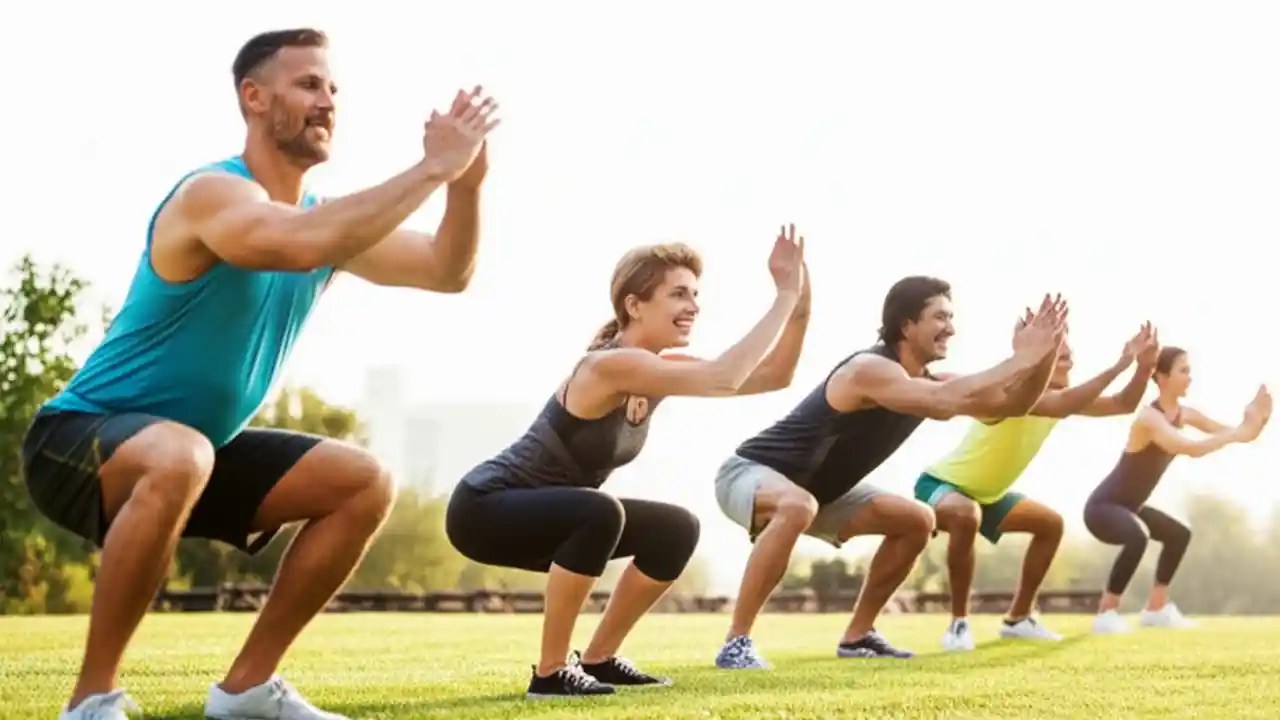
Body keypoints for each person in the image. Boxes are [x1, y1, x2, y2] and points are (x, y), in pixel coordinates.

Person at [19, 28, 500, 720]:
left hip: (195, 454)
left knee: (362, 481)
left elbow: (446, 270)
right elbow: (296, 244)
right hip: (76, 441)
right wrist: (430, 170)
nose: (327, 101)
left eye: (333, 89)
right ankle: (91, 702)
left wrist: (466, 185)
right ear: (254, 96)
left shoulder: (327, 223)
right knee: (180, 454)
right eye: (308, 84)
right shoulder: (212, 194)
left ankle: (246, 689)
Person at [446, 226, 810, 698]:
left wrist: (798, 300)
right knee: (600, 511)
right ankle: (550, 673)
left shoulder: (659, 371)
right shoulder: (608, 365)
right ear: (634, 305)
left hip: (552, 517)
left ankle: (599, 659)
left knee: (675, 529)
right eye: (679, 294)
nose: (693, 306)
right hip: (484, 509)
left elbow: (775, 375)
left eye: (695, 294)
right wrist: (783, 296)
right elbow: (724, 376)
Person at [712, 276, 1069, 670]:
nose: (951, 328)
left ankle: (858, 636)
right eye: (940, 317)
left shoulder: (930, 381)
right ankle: (736, 643)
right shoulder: (869, 369)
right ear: (907, 325)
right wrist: (1020, 359)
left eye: (951, 318)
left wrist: (1045, 354)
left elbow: (1012, 405)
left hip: (820, 495)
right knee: (797, 506)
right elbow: (941, 402)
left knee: (917, 520)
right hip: (751, 473)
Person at [917, 316, 1160, 652]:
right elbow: (952, 382)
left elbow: (1122, 404)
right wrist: (1120, 363)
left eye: (1069, 354)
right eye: (1060, 354)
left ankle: (1018, 619)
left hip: (989, 497)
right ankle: (958, 624)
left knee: (1050, 525)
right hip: (942, 484)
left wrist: (1144, 368)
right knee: (965, 514)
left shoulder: (1062, 399)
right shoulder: (1014, 393)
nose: (1069, 359)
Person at [1085, 346, 1271, 634]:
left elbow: (1233, 433)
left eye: (1189, 371)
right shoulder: (1149, 418)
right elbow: (1190, 448)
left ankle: (1156, 609)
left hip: (1131, 508)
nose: (1189, 377)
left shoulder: (1184, 414)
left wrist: (1256, 422)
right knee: (1138, 536)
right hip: (1102, 508)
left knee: (1178, 534)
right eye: (1183, 371)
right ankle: (1106, 613)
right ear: (1161, 377)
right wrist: (1239, 432)